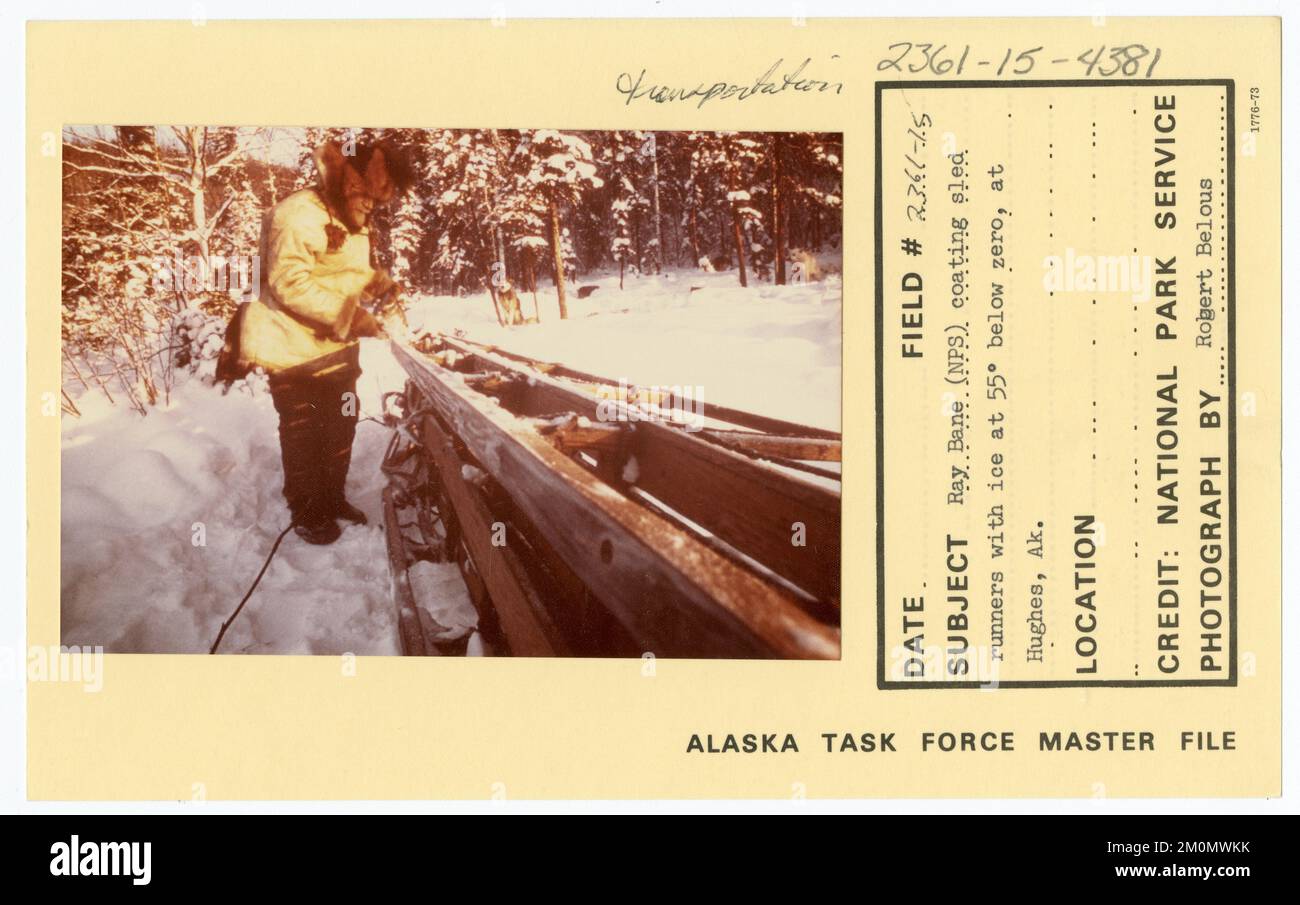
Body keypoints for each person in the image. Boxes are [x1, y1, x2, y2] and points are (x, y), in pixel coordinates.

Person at [239, 139, 412, 544]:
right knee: (304, 429)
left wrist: (383, 289)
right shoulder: (298, 214)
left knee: (340, 425)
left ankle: (331, 498)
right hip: (291, 349)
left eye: (379, 201)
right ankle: (307, 509)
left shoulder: (351, 220)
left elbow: (350, 272)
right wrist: (353, 317)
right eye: (372, 198)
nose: (375, 208)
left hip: (335, 349)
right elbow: (289, 282)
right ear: (354, 183)